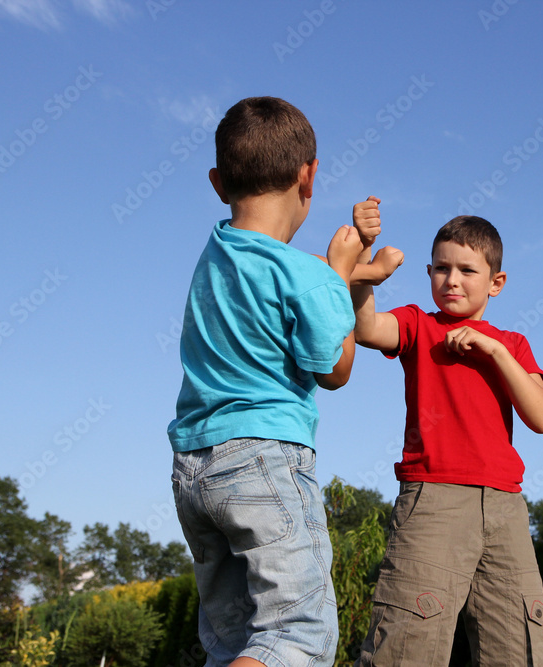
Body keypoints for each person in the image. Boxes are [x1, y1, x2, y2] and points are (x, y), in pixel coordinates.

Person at [167, 96, 365, 667]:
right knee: (296, 635)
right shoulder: (305, 273)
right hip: (263, 460)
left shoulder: (216, 255)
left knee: (233, 642)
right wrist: (338, 277)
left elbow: (271, 302)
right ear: (310, 175)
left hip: (194, 470)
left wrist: (345, 277)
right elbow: (335, 369)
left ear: (217, 182)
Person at [350, 196, 543, 665]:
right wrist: (364, 257)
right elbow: (365, 329)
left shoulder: (513, 344)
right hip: (434, 500)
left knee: (523, 646)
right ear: (428, 274)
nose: (452, 280)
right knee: (406, 645)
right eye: (442, 269)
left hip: (505, 506)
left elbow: (542, 418)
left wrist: (495, 352)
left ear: (496, 283)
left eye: (467, 270)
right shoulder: (418, 325)